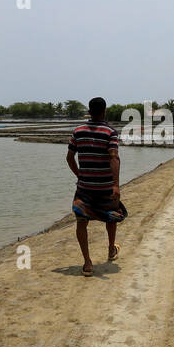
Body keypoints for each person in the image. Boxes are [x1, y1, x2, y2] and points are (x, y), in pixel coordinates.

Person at [67, 97, 124, 276]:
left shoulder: (78, 131)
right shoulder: (110, 132)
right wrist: (116, 184)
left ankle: (87, 263)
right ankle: (110, 249)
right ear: (104, 111)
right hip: (106, 186)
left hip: (84, 188)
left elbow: (69, 158)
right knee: (111, 218)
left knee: (81, 221)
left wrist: (80, 175)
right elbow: (114, 157)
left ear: (89, 112)